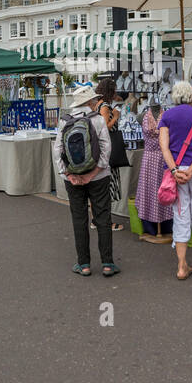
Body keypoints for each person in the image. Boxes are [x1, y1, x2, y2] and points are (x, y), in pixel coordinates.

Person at [53, 83, 118, 277]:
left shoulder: (65, 121)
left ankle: (84, 264)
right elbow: (106, 149)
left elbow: (58, 150)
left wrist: (68, 174)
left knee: (79, 219)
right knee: (102, 217)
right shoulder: (97, 119)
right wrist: (94, 172)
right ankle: (107, 263)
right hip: (98, 177)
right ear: (90, 101)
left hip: (73, 177)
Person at [158, 80, 192, 280]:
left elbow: (164, 147)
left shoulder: (166, 116)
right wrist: (191, 170)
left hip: (176, 171)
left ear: (174, 96)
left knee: (180, 214)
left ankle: (182, 266)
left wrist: (174, 170)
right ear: (191, 96)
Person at [134, 94, 173, 242]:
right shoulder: (141, 116)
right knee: (150, 191)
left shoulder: (167, 115)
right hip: (149, 158)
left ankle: (166, 227)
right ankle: (150, 228)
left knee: (165, 190)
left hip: (164, 157)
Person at [94, 77, 125, 232]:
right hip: (108, 149)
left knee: (100, 186)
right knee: (108, 186)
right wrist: (116, 117)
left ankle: (96, 219)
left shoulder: (97, 104)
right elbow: (105, 127)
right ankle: (107, 222)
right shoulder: (105, 106)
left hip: (100, 149)